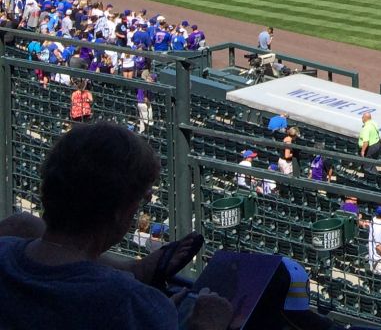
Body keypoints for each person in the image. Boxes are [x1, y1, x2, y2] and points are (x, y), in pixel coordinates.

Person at [0, 123, 231, 329]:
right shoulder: (130, 303)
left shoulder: (5, 247)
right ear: (119, 213)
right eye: (139, 198)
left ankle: (135, 269)